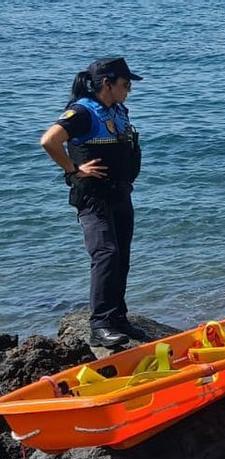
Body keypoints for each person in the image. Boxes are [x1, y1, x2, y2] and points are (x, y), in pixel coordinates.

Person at [39, 58, 145, 348]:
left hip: (121, 194)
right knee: (106, 254)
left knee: (121, 255)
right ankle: (100, 325)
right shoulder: (83, 112)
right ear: (107, 84)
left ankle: (118, 318)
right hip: (94, 197)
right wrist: (74, 169)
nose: (129, 90)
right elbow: (49, 140)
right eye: (125, 84)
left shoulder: (117, 110)